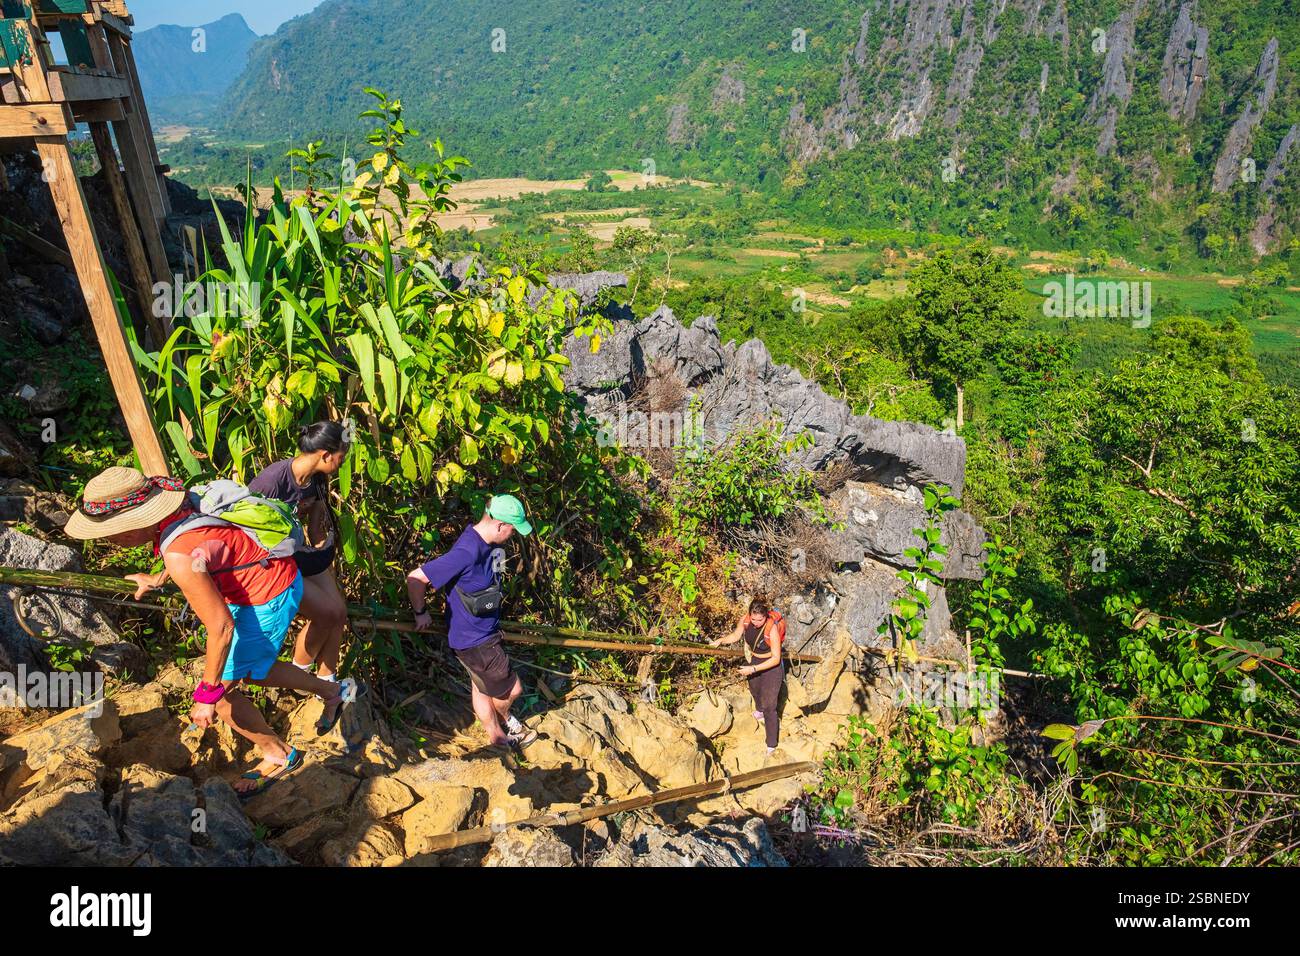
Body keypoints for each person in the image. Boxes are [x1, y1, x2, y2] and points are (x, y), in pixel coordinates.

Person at [64, 467, 356, 797]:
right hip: (264, 575)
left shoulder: (179, 555)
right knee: (256, 673)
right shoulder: (186, 503)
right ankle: (332, 693)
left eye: (110, 532)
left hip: (264, 593)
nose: (109, 539)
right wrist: (158, 578)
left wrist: (206, 694)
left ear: (132, 524)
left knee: (222, 697)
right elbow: (205, 543)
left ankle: (278, 754)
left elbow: (220, 626)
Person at [407, 494, 537, 750]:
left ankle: (497, 738)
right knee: (513, 690)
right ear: (500, 525)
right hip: (476, 641)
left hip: (473, 636)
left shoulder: (483, 541)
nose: (513, 536)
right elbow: (416, 578)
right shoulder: (467, 551)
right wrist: (420, 611)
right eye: (512, 530)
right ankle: (506, 718)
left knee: (481, 688)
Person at [248, 421, 349, 692]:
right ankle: (300, 678)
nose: (342, 463)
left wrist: (323, 547)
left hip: (299, 553)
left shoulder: (317, 479)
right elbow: (243, 528)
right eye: (342, 457)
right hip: (271, 562)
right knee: (326, 615)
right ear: (325, 455)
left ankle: (328, 682)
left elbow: (315, 525)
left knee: (339, 613)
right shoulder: (272, 481)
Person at [710, 597, 786, 755]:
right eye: (754, 619)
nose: (757, 623)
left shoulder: (771, 628)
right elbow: (735, 636)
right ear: (749, 615)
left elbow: (776, 658)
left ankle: (771, 744)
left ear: (766, 616)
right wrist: (721, 641)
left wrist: (753, 669)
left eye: (760, 619)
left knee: (769, 705)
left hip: (771, 665)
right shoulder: (745, 620)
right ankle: (759, 711)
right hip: (754, 658)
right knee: (754, 689)